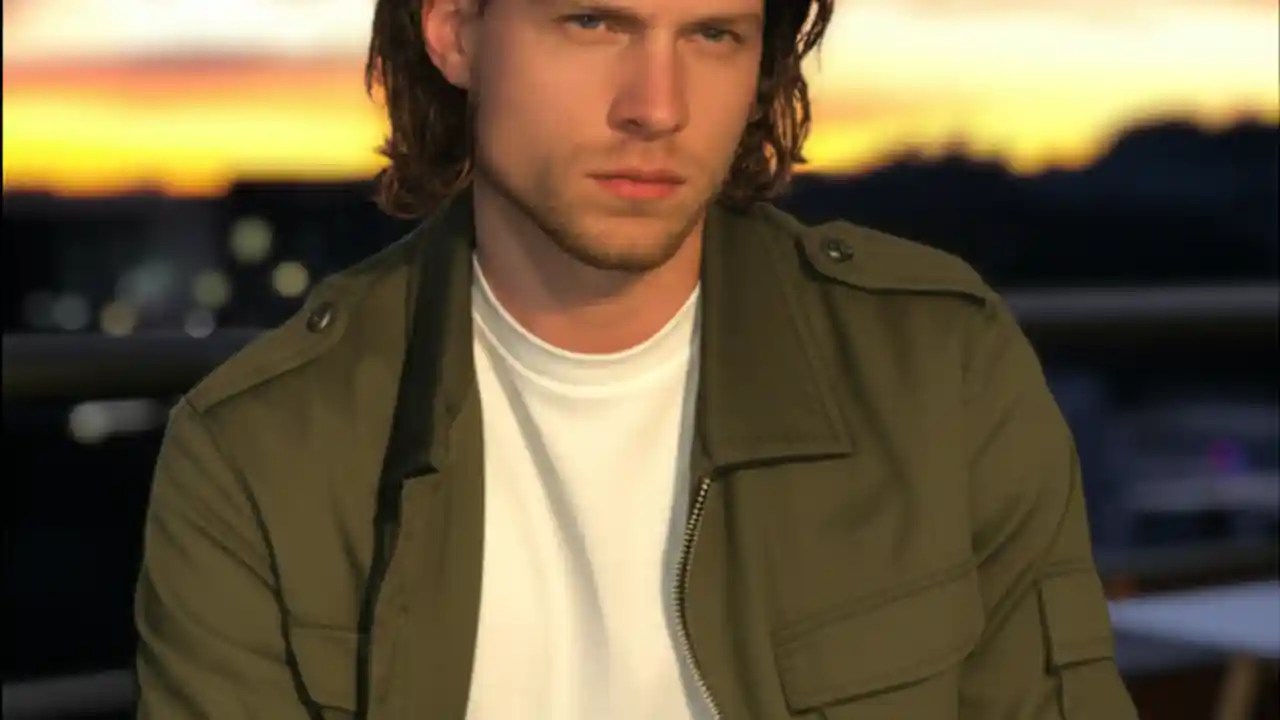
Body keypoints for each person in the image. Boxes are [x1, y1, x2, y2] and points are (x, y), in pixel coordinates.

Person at [133, 0, 1140, 718]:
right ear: (454, 30)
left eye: (710, 34)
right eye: (593, 22)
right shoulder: (258, 454)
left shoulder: (939, 369)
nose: (654, 105)